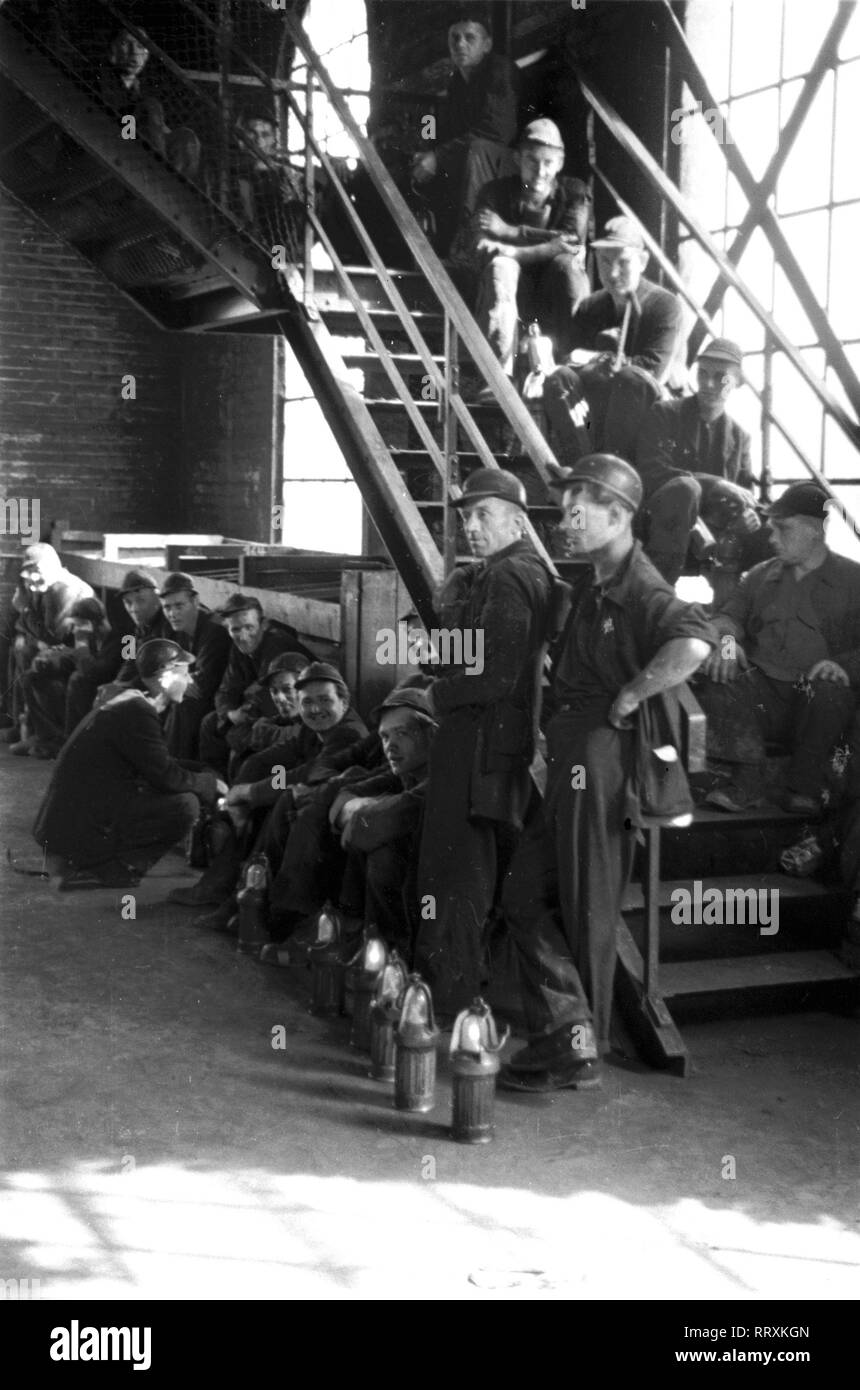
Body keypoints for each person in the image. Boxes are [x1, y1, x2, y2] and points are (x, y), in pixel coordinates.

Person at [499, 453, 715, 1092]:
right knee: (526, 893)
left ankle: (577, 1044)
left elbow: (695, 641)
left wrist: (633, 693)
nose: (565, 522)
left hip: (602, 758)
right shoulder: (596, 581)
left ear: (620, 516)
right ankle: (568, 1030)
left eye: (578, 511)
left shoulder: (641, 586)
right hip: (573, 752)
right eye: (563, 510)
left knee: (587, 899)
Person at [414, 467, 554, 1013]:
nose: (471, 526)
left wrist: (437, 694)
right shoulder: (508, 573)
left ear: (517, 520)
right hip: (493, 750)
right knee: (470, 880)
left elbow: (497, 675)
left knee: (455, 881)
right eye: (467, 517)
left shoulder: (506, 577)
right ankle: (458, 995)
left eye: (484, 515)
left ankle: (444, 1005)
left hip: (476, 753)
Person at [696, 482, 860, 814]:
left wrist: (846, 665)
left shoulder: (853, 581)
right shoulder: (759, 576)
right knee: (716, 671)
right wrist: (726, 643)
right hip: (761, 695)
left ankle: (804, 787)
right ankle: (748, 780)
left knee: (831, 691)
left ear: (815, 530)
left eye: (783, 529)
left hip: (813, 699)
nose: (772, 539)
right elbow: (726, 618)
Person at [33, 639, 223, 891]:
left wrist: (200, 773)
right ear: (164, 675)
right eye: (184, 673)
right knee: (185, 805)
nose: (189, 681)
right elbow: (166, 776)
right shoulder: (136, 711)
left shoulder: (130, 700)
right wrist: (211, 784)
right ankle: (111, 870)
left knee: (186, 784)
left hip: (68, 822)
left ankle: (97, 861)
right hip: (77, 831)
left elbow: (152, 761)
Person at [264, 686, 437, 961]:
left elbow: (361, 831)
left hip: (437, 901)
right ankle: (341, 931)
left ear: (431, 734)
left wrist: (361, 811)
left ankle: (381, 954)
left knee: (382, 850)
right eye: (384, 736)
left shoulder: (436, 779)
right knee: (324, 795)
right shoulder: (404, 768)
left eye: (402, 733)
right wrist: (354, 806)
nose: (390, 745)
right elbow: (342, 790)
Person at [543, 215, 686, 463]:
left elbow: (652, 372)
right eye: (605, 261)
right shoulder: (590, 306)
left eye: (623, 262)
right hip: (597, 412)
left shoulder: (665, 305)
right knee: (560, 379)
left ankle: (611, 465)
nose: (612, 272)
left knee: (631, 379)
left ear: (642, 261)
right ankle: (585, 462)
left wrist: (599, 360)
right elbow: (569, 361)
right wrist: (600, 364)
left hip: (649, 417)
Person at [469, 118, 590, 382]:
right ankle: (497, 378)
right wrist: (547, 245)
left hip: (556, 293)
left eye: (548, 163)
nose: (540, 171)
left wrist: (510, 237)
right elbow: (481, 247)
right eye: (532, 161)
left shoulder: (574, 192)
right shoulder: (494, 193)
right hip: (510, 295)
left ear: (560, 163)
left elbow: (570, 242)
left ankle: (574, 370)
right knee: (502, 266)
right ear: (517, 158)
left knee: (566, 265)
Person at [635, 337, 759, 584]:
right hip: (662, 525)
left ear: (737, 383)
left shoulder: (740, 437)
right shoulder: (665, 414)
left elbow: (747, 493)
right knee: (685, 488)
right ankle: (658, 596)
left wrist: (749, 517)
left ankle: (737, 614)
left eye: (721, 377)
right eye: (703, 374)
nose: (709, 384)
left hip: (715, 532)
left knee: (771, 533)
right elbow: (649, 472)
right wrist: (715, 484)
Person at [410, 7, 520, 255]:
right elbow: (435, 124)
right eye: (455, 38)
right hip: (477, 161)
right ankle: (426, 250)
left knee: (476, 150)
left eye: (470, 37)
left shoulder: (500, 71)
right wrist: (426, 149)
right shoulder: (455, 83)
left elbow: (496, 131)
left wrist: (439, 157)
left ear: (487, 44)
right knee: (415, 166)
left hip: (514, 165)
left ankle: (468, 246)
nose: (460, 44)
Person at [197, 594, 312, 777]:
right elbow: (225, 690)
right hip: (258, 713)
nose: (243, 636)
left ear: (263, 625)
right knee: (210, 723)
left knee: (242, 738)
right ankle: (217, 786)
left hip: (292, 716)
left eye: (249, 627)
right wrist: (230, 713)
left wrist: (241, 717)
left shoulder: (276, 645)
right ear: (227, 628)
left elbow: (267, 698)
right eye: (235, 629)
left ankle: (238, 792)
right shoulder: (239, 648)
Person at [4, 543, 93, 752]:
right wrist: (29, 630)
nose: (31, 578)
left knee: (35, 659)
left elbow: (55, 637)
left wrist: (24, 610)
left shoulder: (66, 588)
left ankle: (47, 736)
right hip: (60, 648)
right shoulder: (43, 586)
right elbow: (26, 629)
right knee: (20, 649)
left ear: (53, 566)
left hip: (81, 652)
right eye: (28, 572)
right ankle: (24, 724)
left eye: (37, 571)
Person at [16, 596, 123, 759]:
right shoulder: (90, 638)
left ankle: (70, 743)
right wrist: (47, 663)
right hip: (85, 692)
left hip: (104, 694)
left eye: (78, 625)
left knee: (78, 678)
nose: (75, 630)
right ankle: (47, 736)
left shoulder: (124, 638)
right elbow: (72, 658)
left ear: (92, 623)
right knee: (31, 677)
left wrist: (81, 643)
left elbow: (92, 672)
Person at [99, 26, 201, 180]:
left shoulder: (139, 88)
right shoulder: (102, 76)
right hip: (115, 136)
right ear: (113, 50)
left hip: (137, 138)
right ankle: (159, 173)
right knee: (150, 105)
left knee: (186, 138)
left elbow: (156, 127)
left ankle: (174, 184)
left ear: (146, 55)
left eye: (141, 46)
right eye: (126, 44)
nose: (135, 53)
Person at [159, 572, 231, 761]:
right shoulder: (173, 629)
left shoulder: (214, 630)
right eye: (167, 607)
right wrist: (174, 678)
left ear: (195, 601)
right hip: (192, 694)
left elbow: (202, 684)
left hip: (218, 700)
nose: (172, 613)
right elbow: (161, 667)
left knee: (182, 704)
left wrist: (174, 678)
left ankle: (176, 769)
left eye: (179, 606)